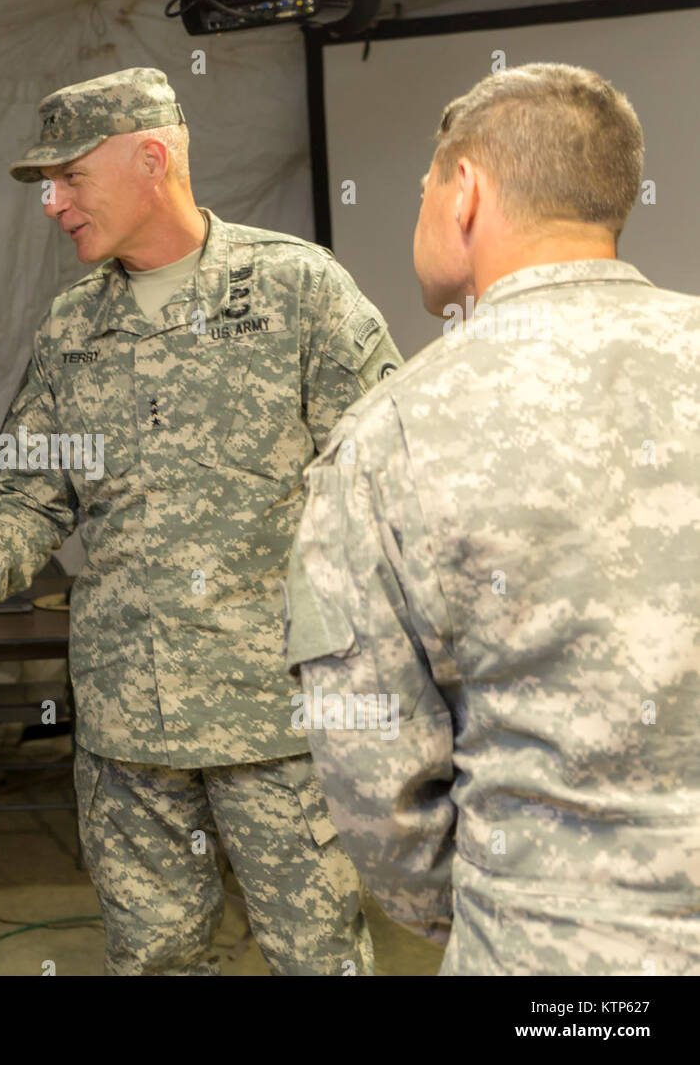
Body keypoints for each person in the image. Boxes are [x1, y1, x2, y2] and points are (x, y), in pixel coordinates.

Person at [0, 67, 402, 975]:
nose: (53, 203)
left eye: (70, 177)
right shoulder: (70, 329)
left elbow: (387, 477)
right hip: (129, 729)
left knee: (319, 958)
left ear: (151, 158)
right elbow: (32, 498)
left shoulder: (296, 291)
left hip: (276, 722)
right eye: (45, 185)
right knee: (153, 961)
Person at [284, 62, 700, 974]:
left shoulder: (391, 436)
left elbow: (375, 784)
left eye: (424, 189)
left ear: (464, 191)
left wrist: (492, 916)